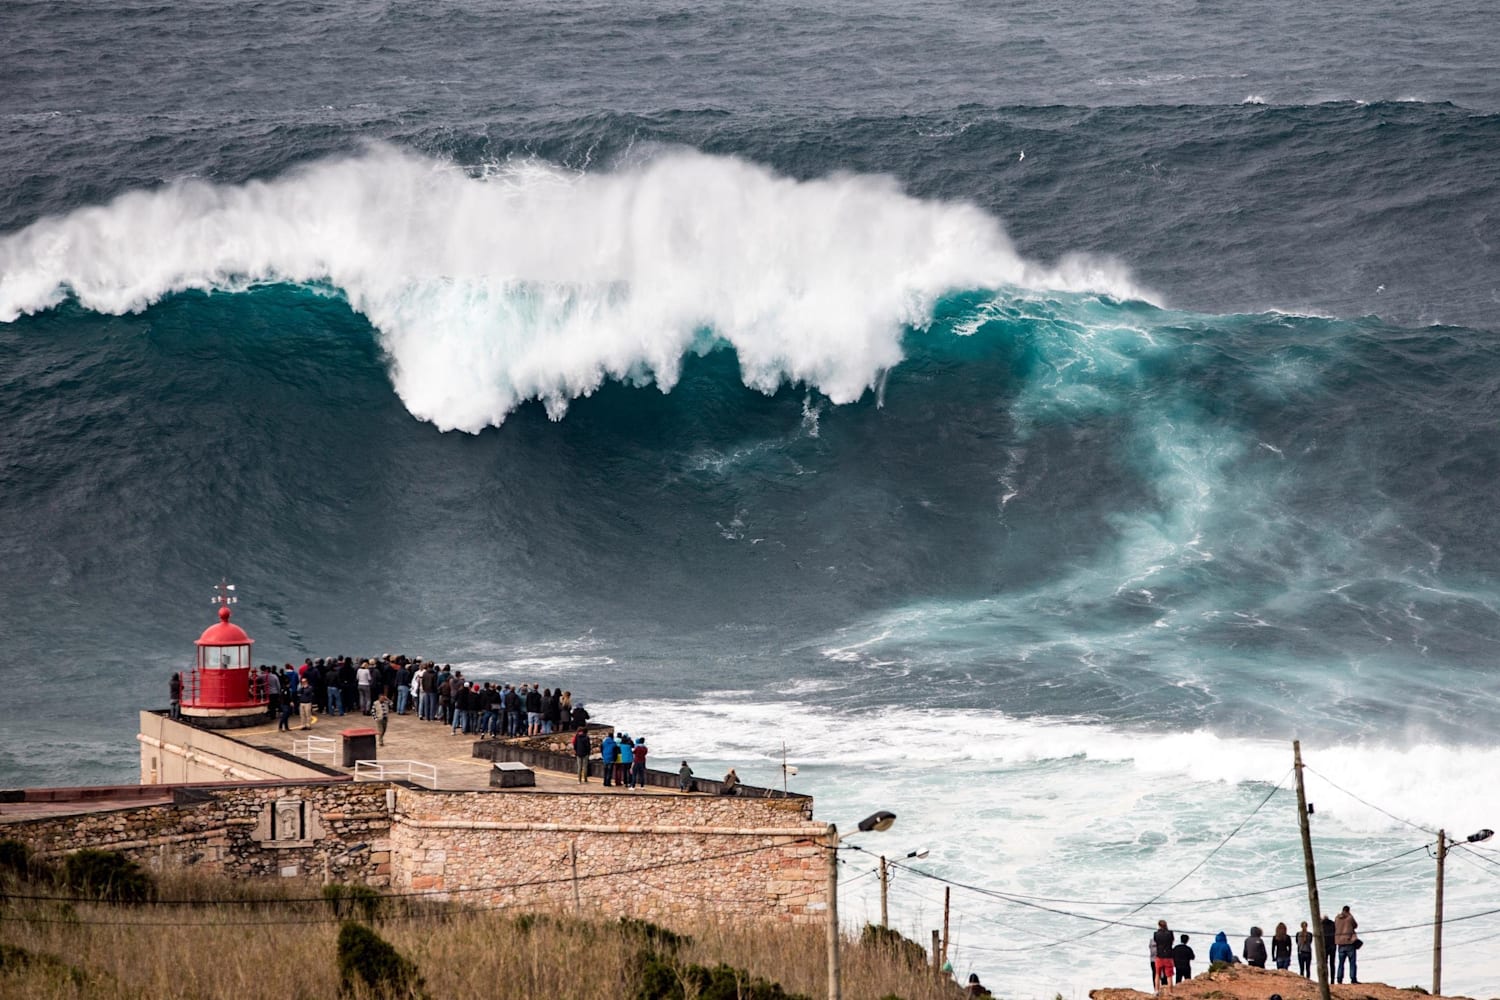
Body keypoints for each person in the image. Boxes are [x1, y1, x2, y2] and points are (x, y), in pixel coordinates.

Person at [1334, 905, 1358, 984]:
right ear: (1348, 911)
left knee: (1341, 963)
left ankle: (1339, 979)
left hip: (1340, 943)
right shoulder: (1350, 918)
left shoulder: (1337, 918)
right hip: (1349, 942)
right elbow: (1355, 925)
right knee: (1352, 962)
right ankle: (1353, 978)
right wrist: (1350, 915)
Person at [1153, 920, 1176, 988]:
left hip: (1159, 956)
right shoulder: (1170, 933)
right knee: (1169, 976)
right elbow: (1172, 941)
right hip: (1168, 956)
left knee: (1157, 975)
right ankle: (1170, 992)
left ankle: (1156, 991)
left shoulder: (1156, 934)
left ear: (1159, 925)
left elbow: (1156, 941)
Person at [1321, 914, 1337, 982]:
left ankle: (1325, 979)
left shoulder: (1321, 925)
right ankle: (1332, 979)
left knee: (1325, 964)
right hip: (1333, 945)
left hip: (1325, 946)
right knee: (1332, 963)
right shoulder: (1333, 924)